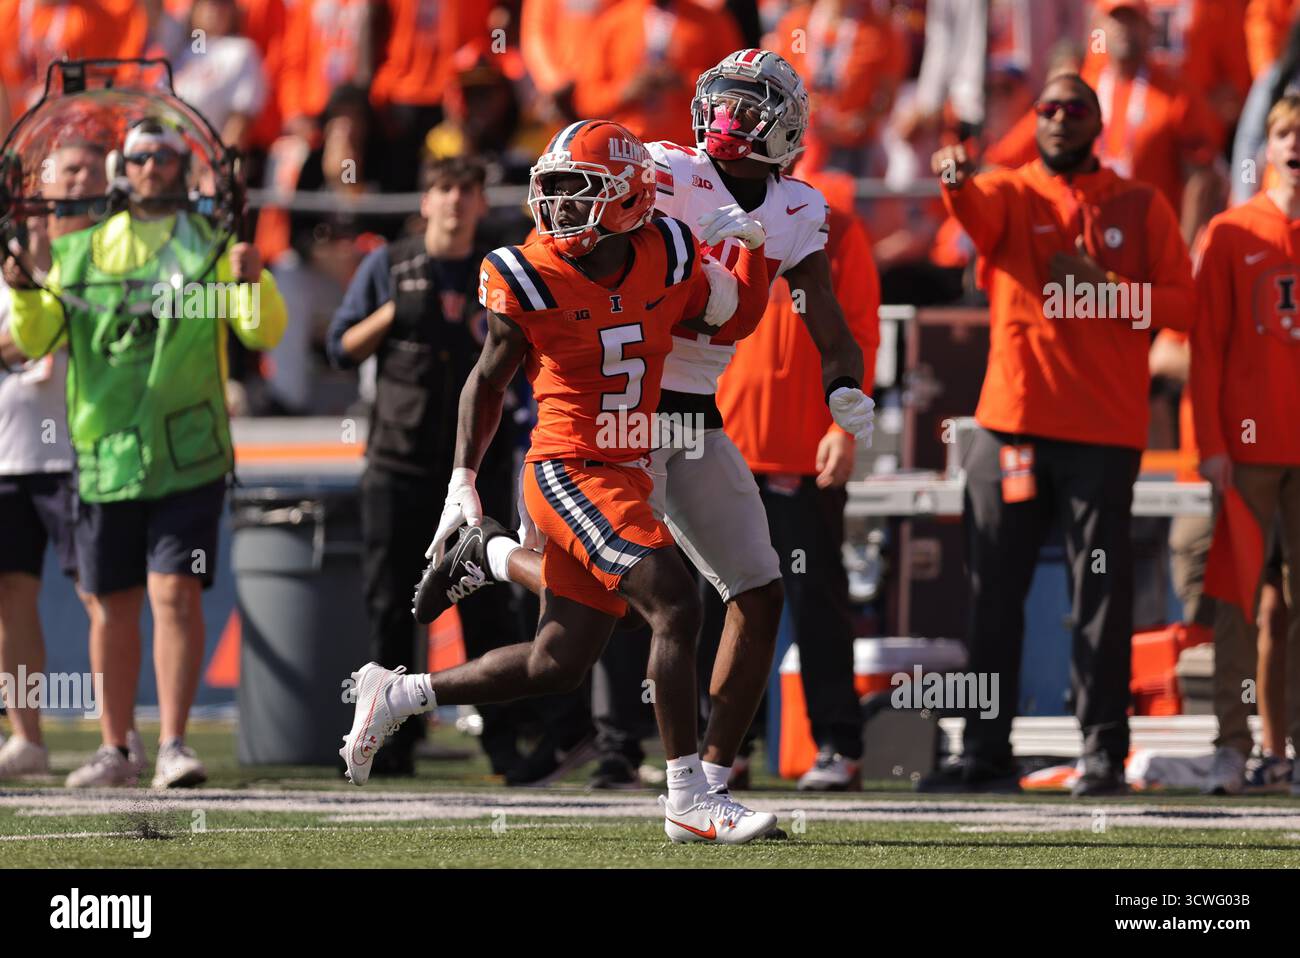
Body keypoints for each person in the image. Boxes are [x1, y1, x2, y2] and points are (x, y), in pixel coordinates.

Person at [421, 50, 876, 795]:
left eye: (748, 108)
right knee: (644, 607)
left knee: (754, 595)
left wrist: (843, 381)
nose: (729, 122)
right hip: (622, 412)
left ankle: (715, 778)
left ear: (787, 126)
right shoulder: (665, 169)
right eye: (722, 104)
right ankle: (655, 771)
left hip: (696, 416)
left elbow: (811, 310)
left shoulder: (799, 209)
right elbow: (579, 227)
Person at [343, 118, 781, 843]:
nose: (561, 206)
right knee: (675, 602)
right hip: (569, 466)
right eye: (554, 190)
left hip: (631, 467)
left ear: (628, 199)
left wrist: (754, 247)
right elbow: (486, 384)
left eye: (580, 191)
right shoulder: (526, 270)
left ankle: (399, 690)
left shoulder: (669, 249)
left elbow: (732, 318)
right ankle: (687, 798)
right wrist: (463, 479)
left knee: (558, 662)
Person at [921, 73, 1194, 797]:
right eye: (1047, 109)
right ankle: (984, 752)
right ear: (1034, 121)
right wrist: (954, 177)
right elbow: (974, 212)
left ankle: (1102, 752)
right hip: (1011, 424)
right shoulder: (1011, 190)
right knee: (991, 593)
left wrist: (1103, 286)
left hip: (1102, 431)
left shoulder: (1141, 203)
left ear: (1097, 121)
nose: (1060, 119)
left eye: (1075, 109)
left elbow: (1183, 306)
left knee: (1099, 597)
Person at [6, 118, 287, 788]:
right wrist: (21, 291)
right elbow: (41, 337)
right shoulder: (82, 255)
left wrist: (256, 278)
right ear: (121, 172)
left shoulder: (211, 244)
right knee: (113, 603)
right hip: (105, 456)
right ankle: (116, 748)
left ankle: (174, 743)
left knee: (174, 592)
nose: (153, 167)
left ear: (184, 169)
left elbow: (260, 328)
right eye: (141, 158)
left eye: (166, 156)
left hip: (188, 455)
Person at [325, 156, 529, 775]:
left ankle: (501, 745)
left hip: (474, 467)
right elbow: (338, 347)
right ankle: (386, 744)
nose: (455, 202)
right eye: (444, 189)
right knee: (391, 603)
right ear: (425, 200)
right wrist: (395, 314)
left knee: (488, 606)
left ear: (479, 202)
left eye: (468, 191)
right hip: (398, 463)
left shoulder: (496, 270)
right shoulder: (390, 265)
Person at [715, 167, 881, 790]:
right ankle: (724, 744)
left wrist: (844, 428)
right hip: (721, 441)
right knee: (719, 606)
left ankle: (839, 743)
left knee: (817, 604)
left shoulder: (830, 218)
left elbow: (859, 326)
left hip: (800, 450)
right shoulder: (706, 201)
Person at [1191, 94, 1300, 797]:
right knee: (1236, 603)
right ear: (1269, 146)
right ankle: (1234, 743)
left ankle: (1284, 749)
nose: (1298, 144)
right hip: (1249, 447)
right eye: (1288, 132)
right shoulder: (1231, 233)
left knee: (1287, 609)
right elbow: (1206, 345)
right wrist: (1209, 440)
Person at [0, 141, 105, 777]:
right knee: (12, 598)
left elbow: (49, 331)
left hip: (78, 450)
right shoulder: (12, 256)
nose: (79, 180)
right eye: (69, 168)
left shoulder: (108, 254)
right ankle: (28, 736)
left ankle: (115, 736)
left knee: (100, 593)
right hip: (10, 453)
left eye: (91, 168)